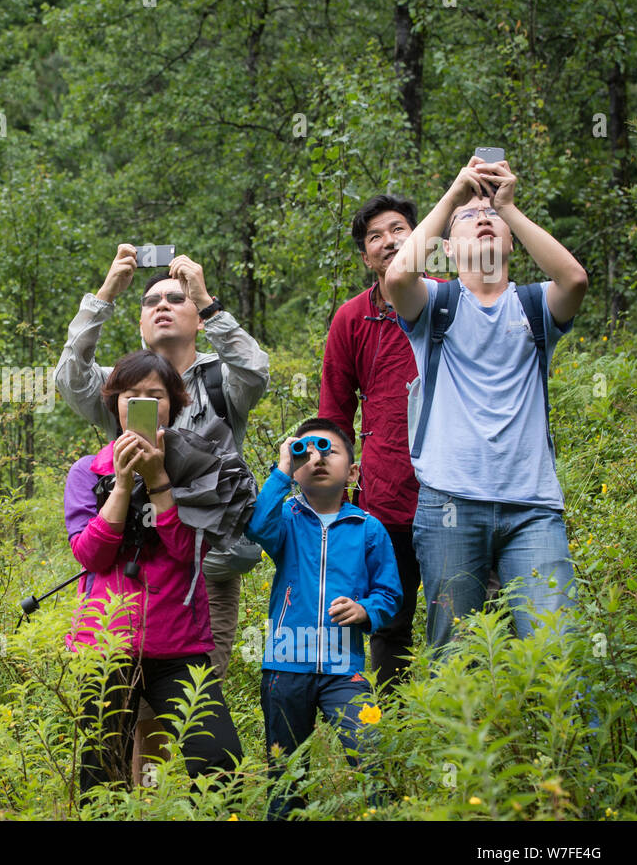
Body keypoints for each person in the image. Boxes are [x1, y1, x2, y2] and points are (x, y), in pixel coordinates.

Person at [55, 246, 269, 775]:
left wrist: (209, 301)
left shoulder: (221, 380)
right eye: (152, 301)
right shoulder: (123, 385)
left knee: (189, 713)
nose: (163, 305)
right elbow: (69, 377)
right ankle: (145, 803)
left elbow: (256, 369)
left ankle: (170, 798)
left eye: (177, 299)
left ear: (197, 316)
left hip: (202, 572)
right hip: (122, 575)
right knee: (123, 728)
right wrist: (105, 295)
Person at [385, 156, 587, 658]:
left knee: (557, 651)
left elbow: (576, 280)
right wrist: (454, 195)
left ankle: (565, 740)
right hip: (449, 502)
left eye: (491, 217)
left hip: (533, 507)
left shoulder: (536, 304)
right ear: (447, 248)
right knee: (456, 656)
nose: (482, 218)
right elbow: (396, 278)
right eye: (467, 219)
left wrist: (508, 207)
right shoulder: (436, 305)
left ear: (512, 240)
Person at [65, 350, 243, 798]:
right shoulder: (88, 471)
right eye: (131, 395)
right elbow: (91, 556)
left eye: (155, 395)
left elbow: (187, 552)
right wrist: (123, 484)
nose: (141, 403)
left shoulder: (199, 466)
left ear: (174, 404)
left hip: (179, 646)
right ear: (115, 403)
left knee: (219, 762)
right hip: (107, 646)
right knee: (101, 776)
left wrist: (159, 478)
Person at [244, 419, 402, 819]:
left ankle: (383, 812)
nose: (318, 458)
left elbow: (389, 593)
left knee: (371, 753)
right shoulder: (287, 518)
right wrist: (283, 470)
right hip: (284, 667)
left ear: (352, 472)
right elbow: (257, 526)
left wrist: (366, 609)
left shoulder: (368, 529)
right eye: (308, 452)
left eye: (329, 451)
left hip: (343, 669)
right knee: (285, 774)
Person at [319, 194, 428, 693]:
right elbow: (334, 415)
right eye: (375, 237)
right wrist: (333, 502)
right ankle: (390, 737)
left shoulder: (451, 300)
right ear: (366, 257)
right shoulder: (351, 319)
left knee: (473, 613)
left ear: (421, 239)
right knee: (390, 618)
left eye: (398, 229)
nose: (388, 242)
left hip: (458, 490)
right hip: (386, 495)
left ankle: (471, 728)